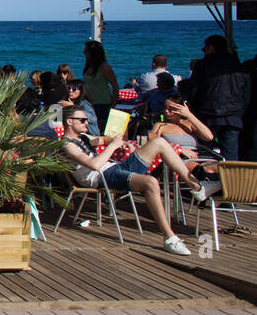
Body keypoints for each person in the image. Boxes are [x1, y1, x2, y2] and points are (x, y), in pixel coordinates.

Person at [58, 105, 217, 256]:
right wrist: (112, 146)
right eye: (82, 120)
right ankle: (169, 238)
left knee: (159, 142)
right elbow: (94, 165)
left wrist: (120, 141)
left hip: (115, 168)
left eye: (87, 120)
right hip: (102, 177)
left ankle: (197, 188)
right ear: (69, 122)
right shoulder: (67, 145)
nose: (87, 123)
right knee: (150, 182)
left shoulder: (84, 137)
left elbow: (101, 139)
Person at [183, 34, 252, 161]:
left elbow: (193, 90)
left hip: (208, 114)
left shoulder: (203, 65)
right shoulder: (239, 66)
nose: (203, 51)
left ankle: (205, 178)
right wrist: (240, 112)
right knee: (231, 155)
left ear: (211, 47)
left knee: (205, 154)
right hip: (233, 116)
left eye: (204, 48)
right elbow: (246, 92)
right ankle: (231, 179)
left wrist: (193, 109)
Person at [81, 40, 119, 130]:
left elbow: (115, 86)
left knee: (99, 130)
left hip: (102, 104)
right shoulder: (88, 67)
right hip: (89, 103)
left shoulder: (104, 67)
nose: (83, 53)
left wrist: (113, 104)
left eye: (86, 51)